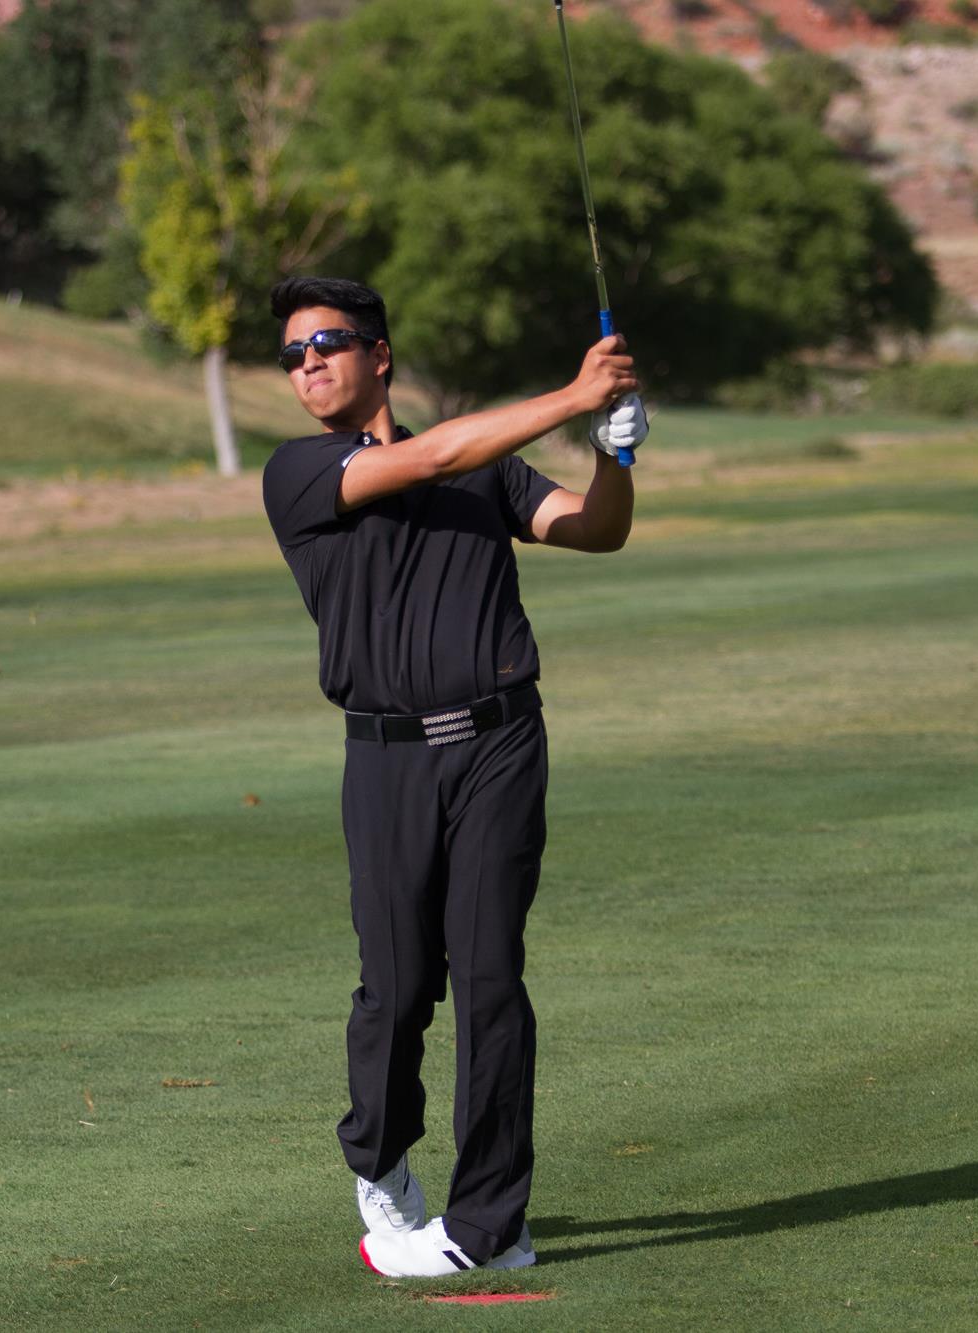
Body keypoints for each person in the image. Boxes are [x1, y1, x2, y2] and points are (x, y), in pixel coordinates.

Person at [260, 277, 648, 1278]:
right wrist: (577, 395)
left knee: (488, 978)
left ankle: (489, 1225)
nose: (308, 363)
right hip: (384, 757)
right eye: (293, 353)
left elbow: (596, 529)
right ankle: (380, 1160)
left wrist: (612, 454)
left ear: (379, 354)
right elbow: (429, 456)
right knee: (395, 990)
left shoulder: (487, 469)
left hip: (499, 744)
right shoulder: (298, 471)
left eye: (327, 342)